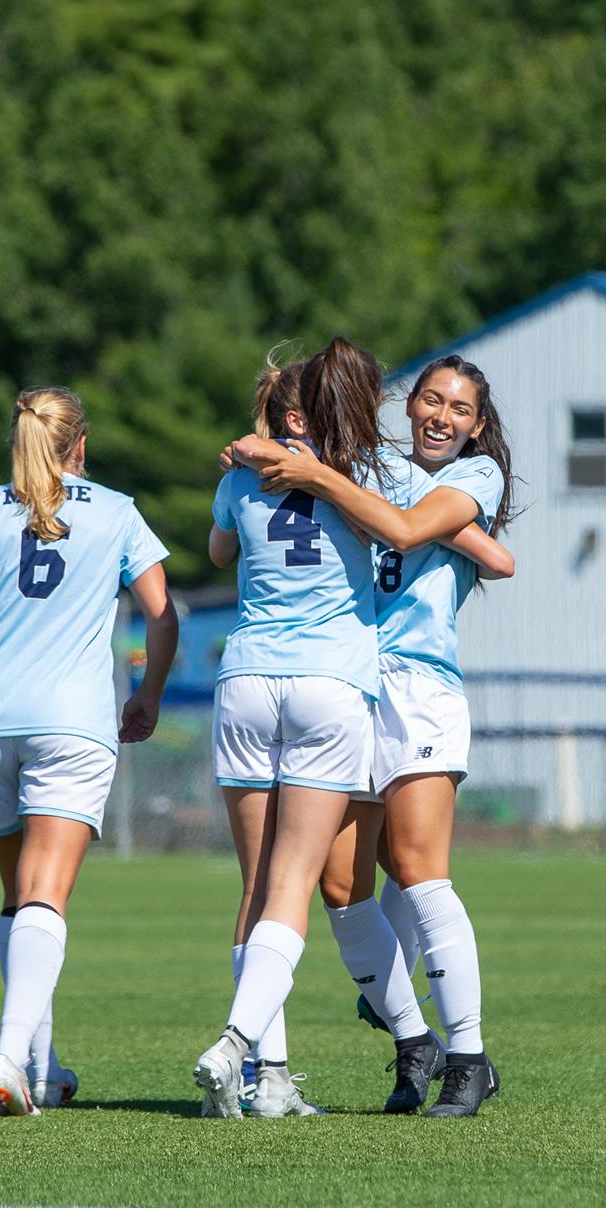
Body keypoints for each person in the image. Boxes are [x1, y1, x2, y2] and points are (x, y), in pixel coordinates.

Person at [230, 353, 515, 1115]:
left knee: (419, 868)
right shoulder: (376, 462)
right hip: (347, 683)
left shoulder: (474, 477)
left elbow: (410, 527)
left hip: (418, 688)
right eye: (430, 399)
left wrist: (322, 478)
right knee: (339, 885)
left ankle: (468, 1055)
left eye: (459, 408)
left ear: (476, 426)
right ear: (408, 405)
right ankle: (412, 1038)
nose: (441, 416)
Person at [191, 336, 442, 1118]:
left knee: (261, 887)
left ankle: (270, 1077)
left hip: (247, 680)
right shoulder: (372, 472)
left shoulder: (242, 475)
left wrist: (255, 459)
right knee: (297, 887)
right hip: (329, 684)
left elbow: (218, 545)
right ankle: (239, 1047)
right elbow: (408, 529)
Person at [0, 386, 178, 1117]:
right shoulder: (119, 510)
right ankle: (8, 1057)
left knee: (17, 895)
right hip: (70, 719)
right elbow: (163, 614)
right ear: (82, 446)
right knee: (45, 895)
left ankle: (44, 1063)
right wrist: (149, 693)